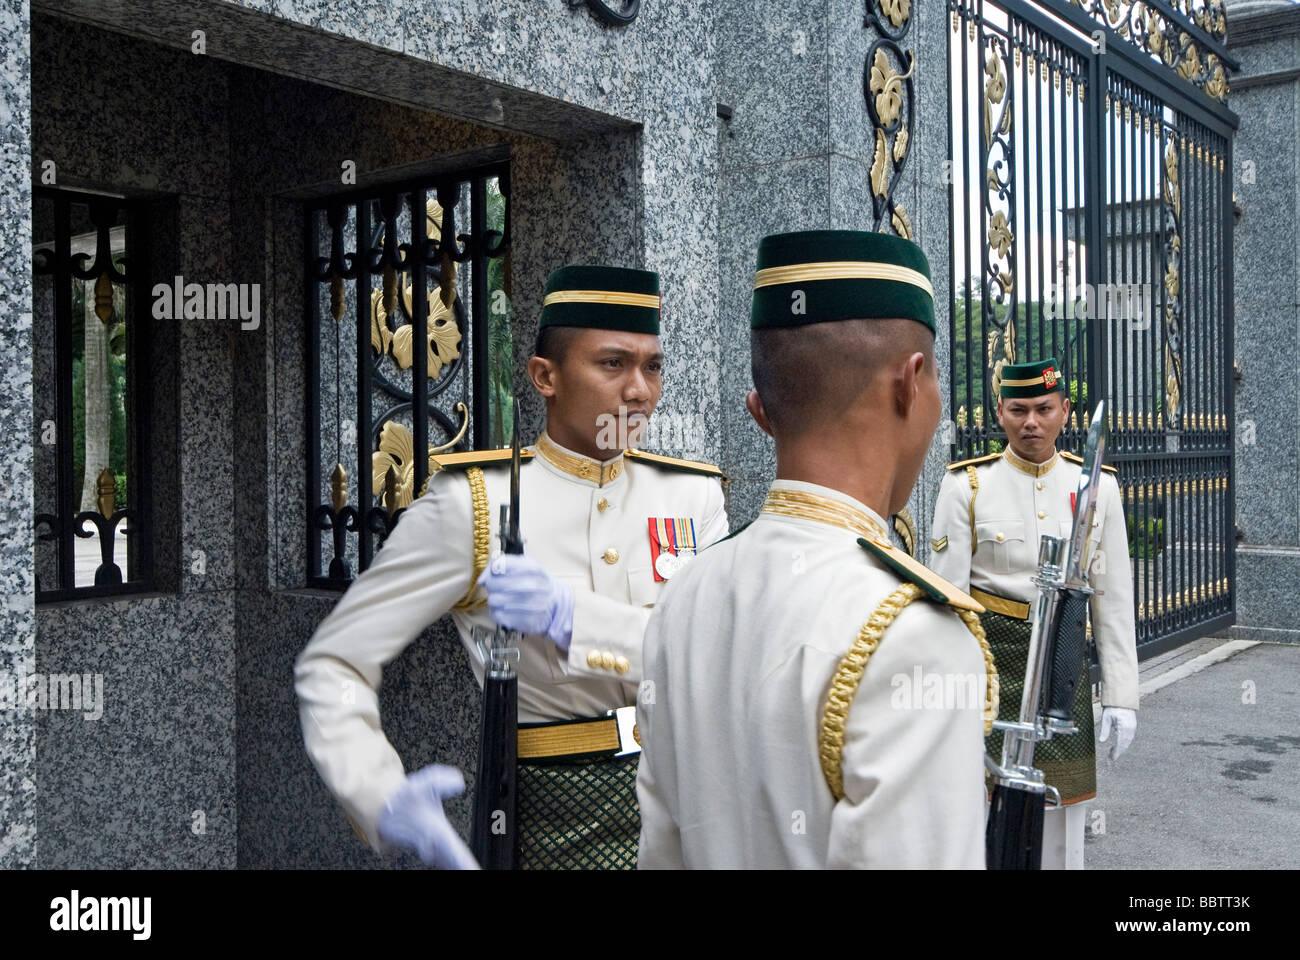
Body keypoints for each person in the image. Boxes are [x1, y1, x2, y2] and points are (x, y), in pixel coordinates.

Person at [294, 264, 728, 869]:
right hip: (555, 822)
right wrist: (379, 794)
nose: (639, 390)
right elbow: (334, 661)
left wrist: (572, 617)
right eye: (612, 364)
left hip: (692, 811)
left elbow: (709, 659)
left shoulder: (691, 497)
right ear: (544, 376)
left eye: (651, 366)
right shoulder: (474, 504)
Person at [635, 230, 997, 869]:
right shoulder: (913, 636)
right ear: (910, 385)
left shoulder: (685, 593)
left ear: (761, 411)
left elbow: (661, 852)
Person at [929, 357, 1138, 869]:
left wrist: (1122, 695)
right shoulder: (967, 487)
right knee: (982, 809)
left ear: (1065, 412)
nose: (1031, 422)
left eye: (1044, 409)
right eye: (1018, 409)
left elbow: (1111, 597)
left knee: (1061, 817)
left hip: (1061, 668)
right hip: (990, 665)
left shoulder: (1099, 489)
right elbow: (947, 603)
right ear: (998, 412)